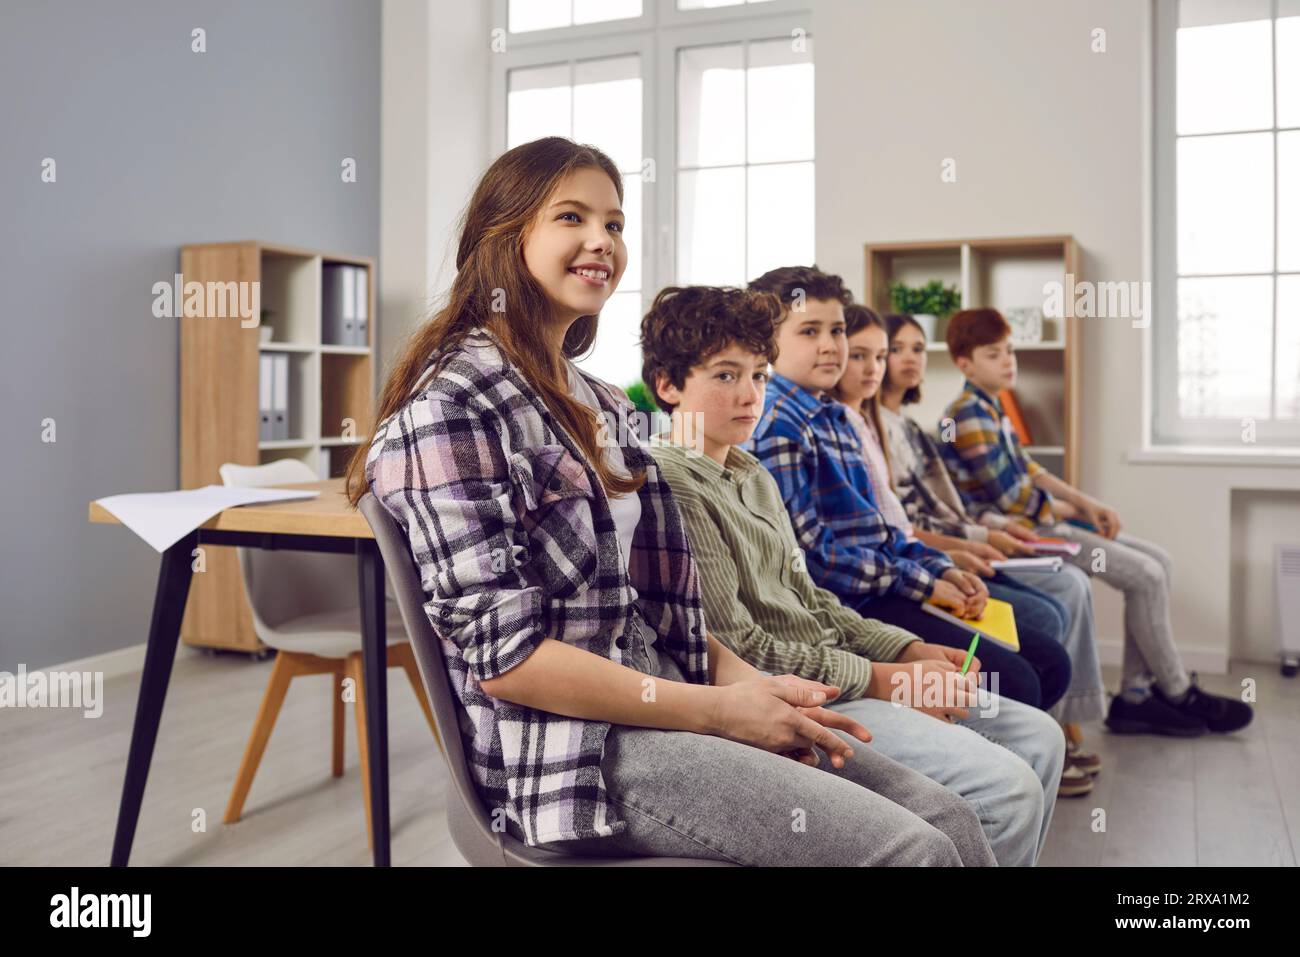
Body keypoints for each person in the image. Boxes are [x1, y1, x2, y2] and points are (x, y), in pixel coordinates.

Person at [345, 136, 993, 865]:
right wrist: (719, 710)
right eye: (572, 217)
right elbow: (508, 659)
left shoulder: (594, 400)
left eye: (615, 224)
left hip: (675, 697)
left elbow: (656, 610)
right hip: (580, 750)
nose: (602, 241)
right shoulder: (452, 405)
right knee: (915, 849)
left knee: (948, 814)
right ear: (506, 236)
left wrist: (759, 691)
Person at [642, 283, 1065, 864]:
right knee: (1007, 788)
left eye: (759, 375)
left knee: (1042, 737)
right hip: (800, 696)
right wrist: (880, 677)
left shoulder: (750, 470)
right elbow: (741, 649)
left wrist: (907, 647)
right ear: (667, 386)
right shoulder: (672, 481)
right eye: (724, 376)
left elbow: (811, 599)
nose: (748, 394)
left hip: (841, 666)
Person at [742, 264, 1072, 713]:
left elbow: (882, 527)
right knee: (1019, 681)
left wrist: (939, 568)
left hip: (886, 583)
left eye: (836, 330)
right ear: (768, 340)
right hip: (854, 601)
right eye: (809, 331)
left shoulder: (833, 416)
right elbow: (812, 557)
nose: (829, 346)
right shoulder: (780, 424)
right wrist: (921, 583)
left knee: (1049, 662)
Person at [938, 307, 1252, 736]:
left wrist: (1084, 502)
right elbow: (1012, 498)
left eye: (1010, 351)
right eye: (993, 354)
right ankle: (1174, 692)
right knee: (1144, 574)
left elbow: (1029, 471)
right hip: (1021, 533)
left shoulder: (991, 407)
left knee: (1159, 562)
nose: (1008, 360)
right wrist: (1073, 511)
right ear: (964, 363)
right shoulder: (965, 415)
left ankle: (1138, 695)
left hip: (1040, 522)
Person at [878, 311, 1107, 792]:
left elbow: (959, 503)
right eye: (893, 350)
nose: (908, 359)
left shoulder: (920, 428)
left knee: (1069, 590)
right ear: (964, 362)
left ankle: (1062, 732)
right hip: (943, 552)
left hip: (973, 539)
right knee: (1057, 601)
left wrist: (985, 536)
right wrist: (975, 542)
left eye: (918, 348)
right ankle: (1048, 741)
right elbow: (921, 519)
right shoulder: (948, 417)